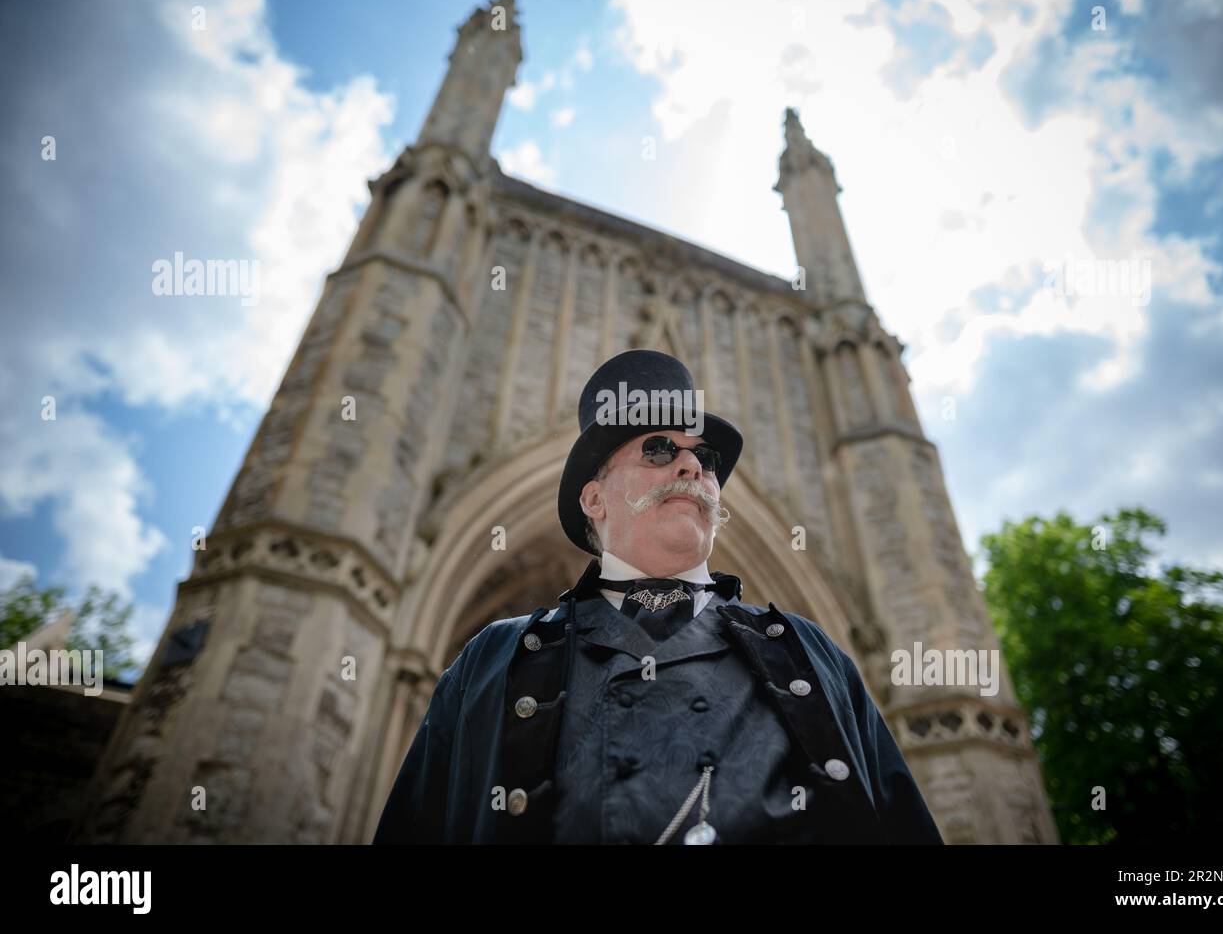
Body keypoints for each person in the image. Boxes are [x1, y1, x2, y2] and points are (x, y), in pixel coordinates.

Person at [373, 349, 943, 844]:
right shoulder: (493, 659)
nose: (693, 464)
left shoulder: (807, 653)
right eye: (659, 449)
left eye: (706, 459)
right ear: (593, 498)